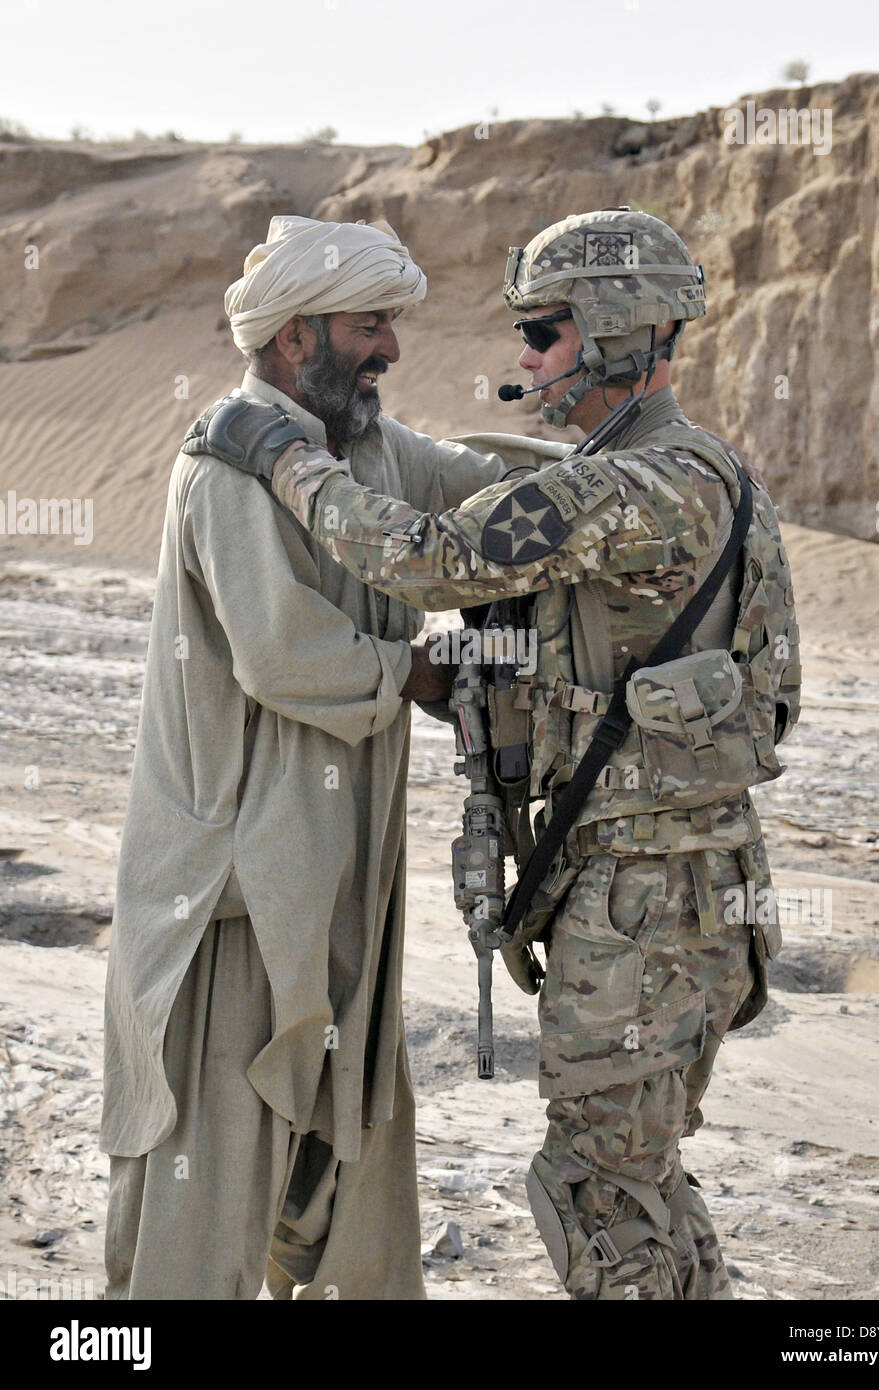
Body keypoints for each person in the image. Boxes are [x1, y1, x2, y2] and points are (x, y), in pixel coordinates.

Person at [189, 208, 802, 1300]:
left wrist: (281, 456)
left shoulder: (628, 488)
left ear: (618, 330)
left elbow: (420, 557)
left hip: (645, 906)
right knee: (643, 1173)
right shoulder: (700, 471)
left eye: (545, 333)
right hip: (686, 890)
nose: (522, 359)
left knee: (601, 1200)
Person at [100, 215, 533, 1300]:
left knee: (347, 1150)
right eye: (371, 325)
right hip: (237, 890)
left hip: (343, 878)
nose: (392, 347)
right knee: (209, 1164)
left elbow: (479, 480)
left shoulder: (367, 449)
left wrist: (611, 473)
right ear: (296, 338)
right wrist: (416, 675)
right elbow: (284, 655)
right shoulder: (227, 467)